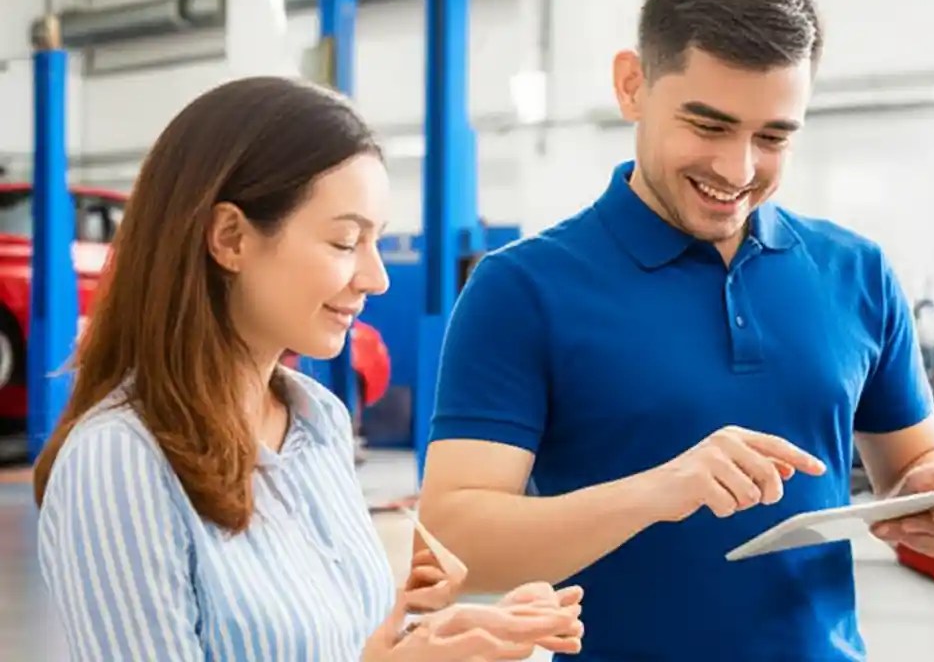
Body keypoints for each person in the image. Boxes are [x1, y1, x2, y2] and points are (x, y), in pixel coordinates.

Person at [415, 0, 934, 660]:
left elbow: (915, 462)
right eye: (709, 126)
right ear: (632, 85)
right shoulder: (522, 291)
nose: (738, 170)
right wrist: (658, 492)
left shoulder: (857, 272)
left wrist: (932, 498)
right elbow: (454, 543)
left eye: (773, 137)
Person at [31, 76, 585, 662]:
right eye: (346, 241)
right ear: (230, 237)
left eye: (377, 242)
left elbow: (347, 649)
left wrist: (442, 637)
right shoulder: (120, 461)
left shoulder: (316, 419)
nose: (377, 278)